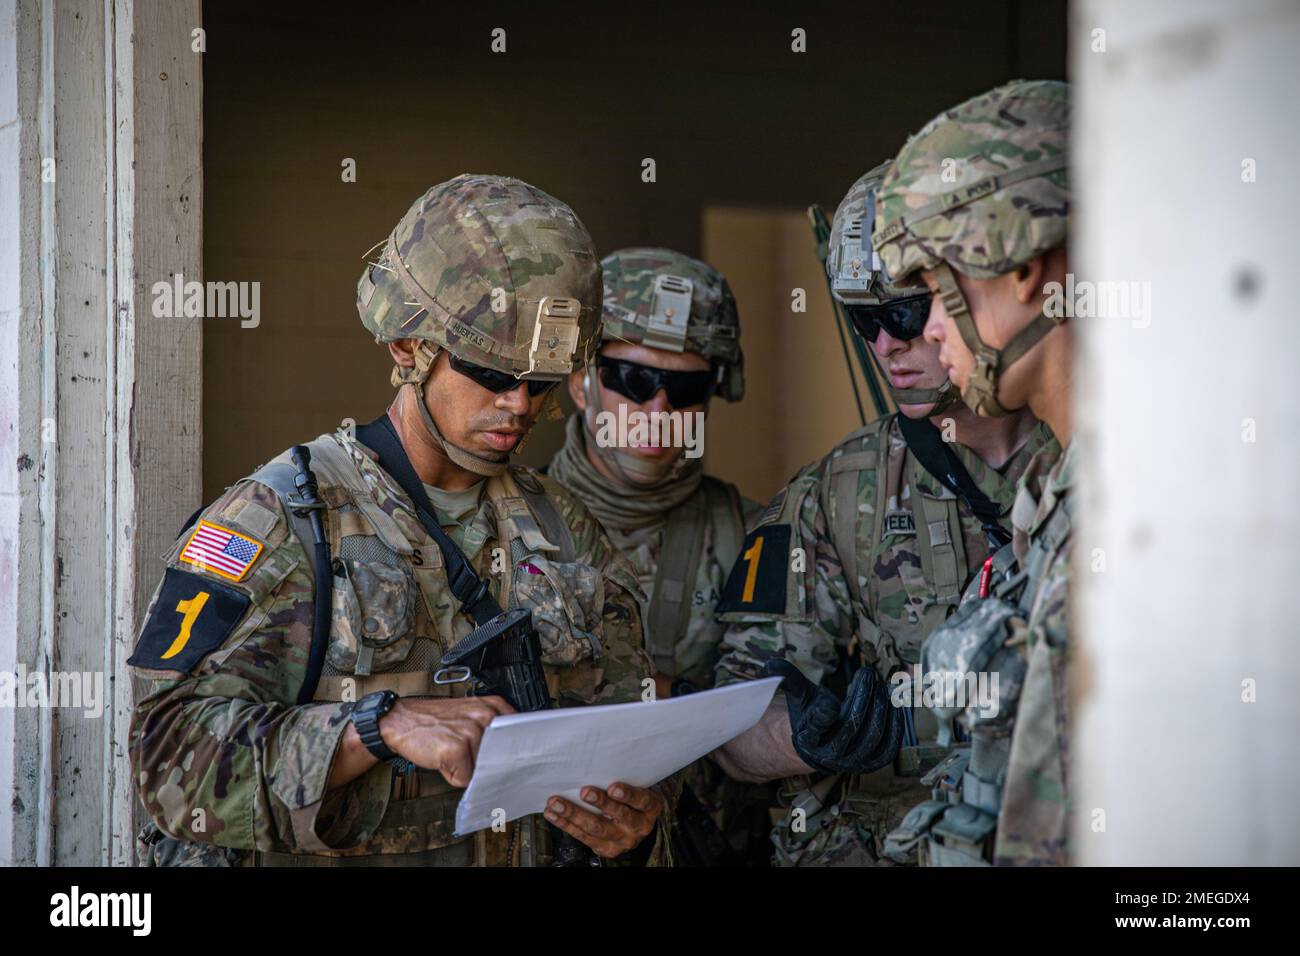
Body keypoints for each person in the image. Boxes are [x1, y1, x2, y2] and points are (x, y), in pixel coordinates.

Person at [128, 174, 671, 867]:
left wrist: (634, 835)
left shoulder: (562, 525)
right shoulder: (281, 520)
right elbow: (170, 761)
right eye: (492, 374)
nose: (520, 406)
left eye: (540, 383)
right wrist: (376, 729)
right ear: (408, 348)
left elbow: (627, 742)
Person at [709, 160, 1057, 866]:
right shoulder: (837, 496)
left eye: (903, 313)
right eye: (862, 321)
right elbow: (729, 732)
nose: (885, 347)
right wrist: (807, 736)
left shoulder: (1091, 461)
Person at [872, 78, 1074, 866]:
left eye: (932, 289)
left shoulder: (1150, 514)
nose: (923, 330)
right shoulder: (1064, 498)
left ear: (1017, 266)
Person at [548, 247, 770, 864]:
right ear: (580, 380)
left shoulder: (755, 538)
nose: (658, 412)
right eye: (633, 380)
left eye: (686, 388)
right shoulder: (501, 526)